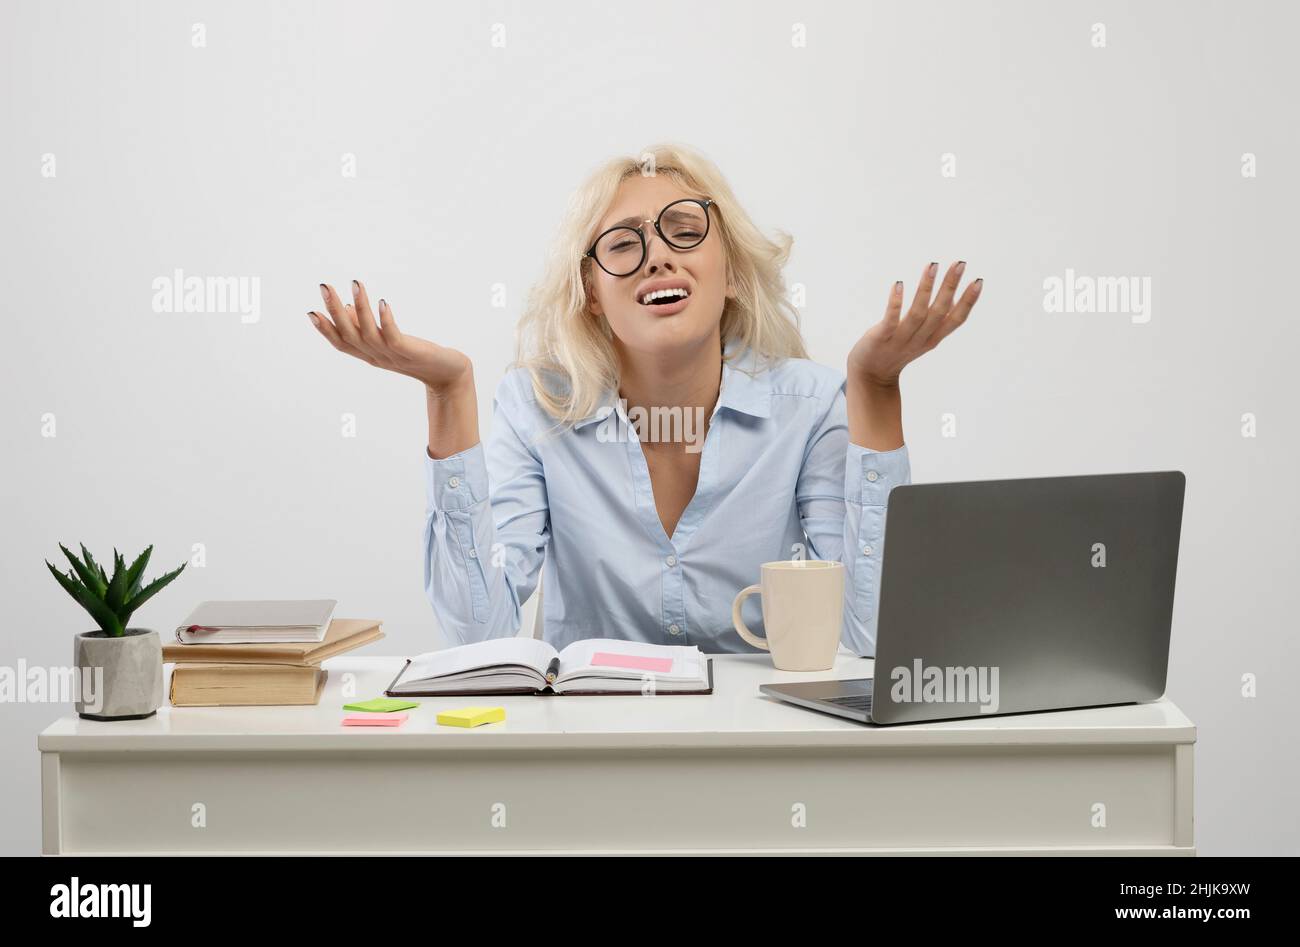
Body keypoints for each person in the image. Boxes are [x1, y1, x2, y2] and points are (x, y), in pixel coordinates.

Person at [307, 143, 981, 655]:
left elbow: (868, 638)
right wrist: (449, 391)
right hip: (589, 763)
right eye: (623, 245)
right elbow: (479, 636)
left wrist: (876, 388)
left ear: (734, 274)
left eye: (684, 229)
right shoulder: (535, 406)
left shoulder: (811, 405)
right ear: (593, 297)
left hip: (758, 755)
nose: (658, 255)